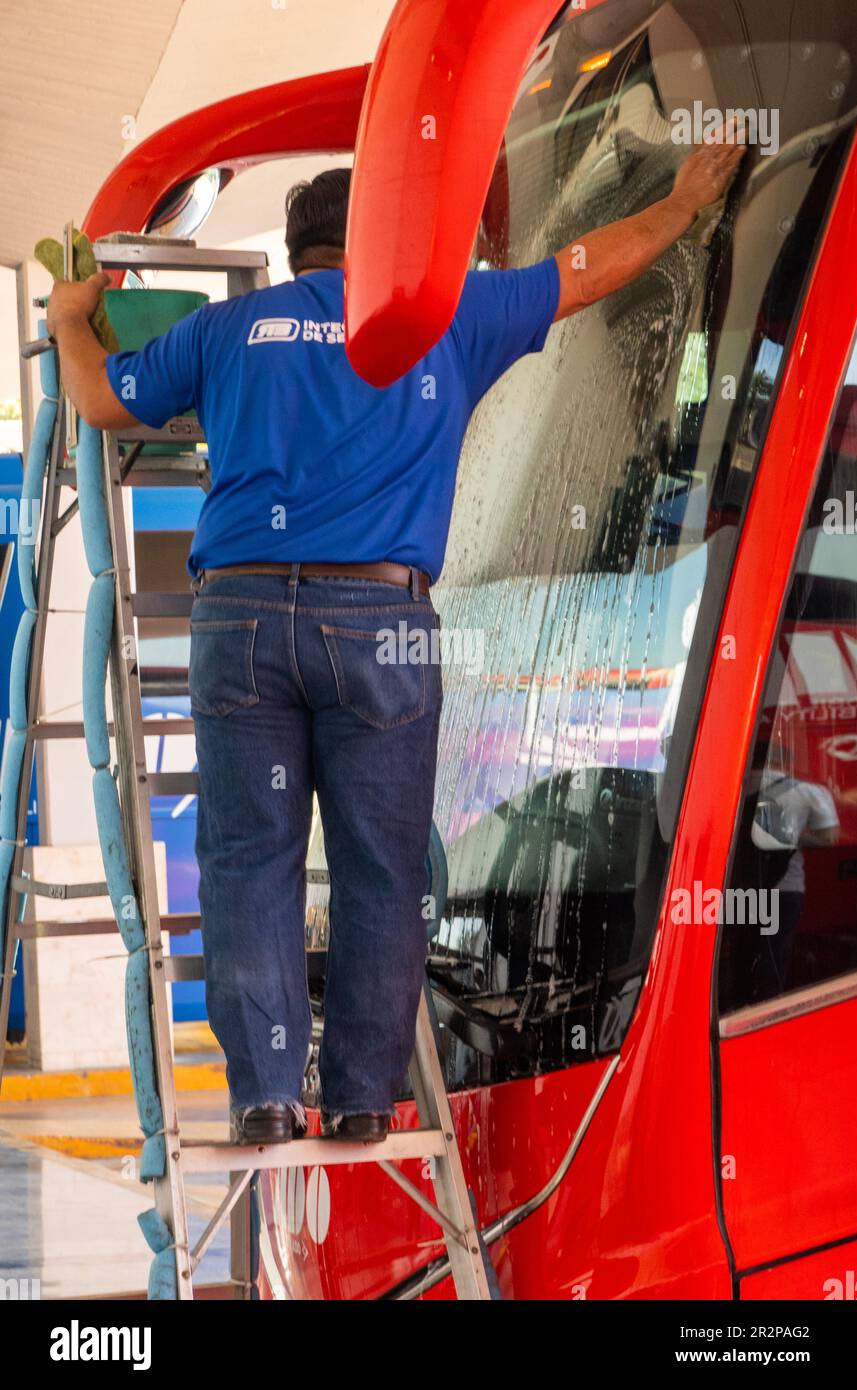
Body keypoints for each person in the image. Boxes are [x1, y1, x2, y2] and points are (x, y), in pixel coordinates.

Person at [46, 134, 745, 1145]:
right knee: (381, 867)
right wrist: (682, 201)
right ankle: (363, 1095)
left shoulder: (228, 329)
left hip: (239, 621)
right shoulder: (448, 314)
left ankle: (266, 1093)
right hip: (381, 626)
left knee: (250, 860)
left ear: (293, 253)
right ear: (382, 243)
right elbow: (593, 266)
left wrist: (73, 320)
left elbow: (101, 397)